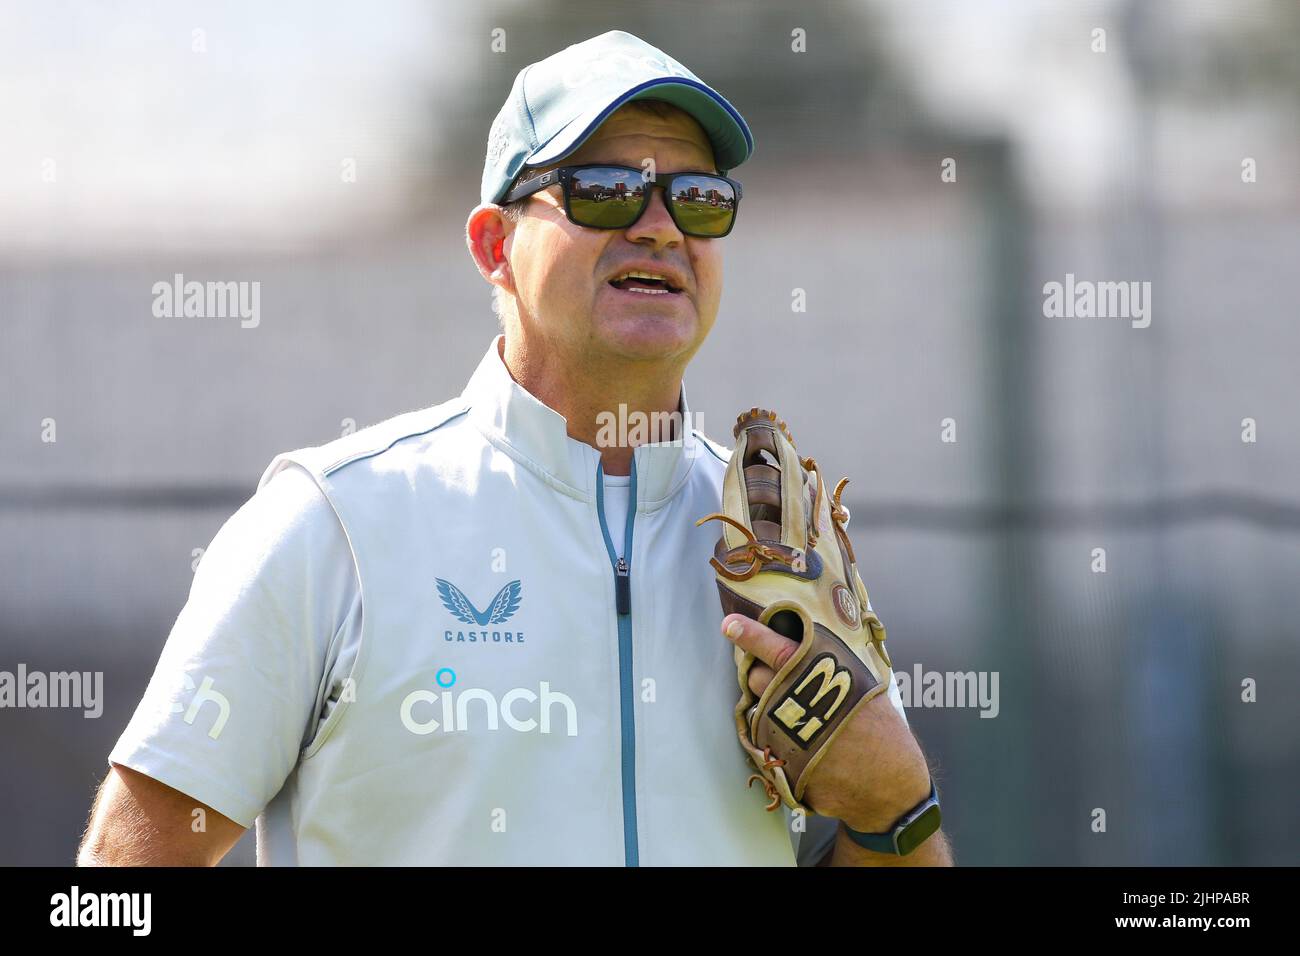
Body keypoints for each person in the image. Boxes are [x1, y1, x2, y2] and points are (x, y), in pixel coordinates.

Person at [78, 30, 951, 867]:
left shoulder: (784, 558)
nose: (661, 227)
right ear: (496, 246)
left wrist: (894, 809)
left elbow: (894, 838)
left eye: (699, 199)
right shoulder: (332, 525)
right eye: (607, 190)